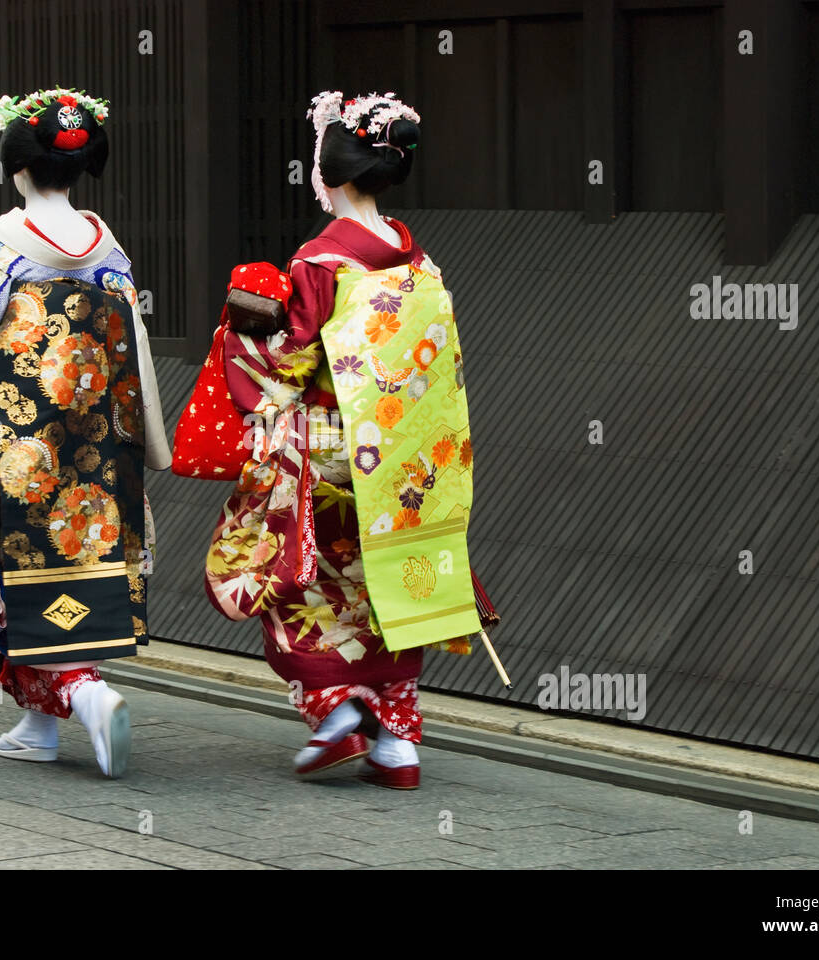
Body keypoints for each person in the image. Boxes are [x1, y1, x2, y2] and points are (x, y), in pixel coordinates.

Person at [204, 91, 476, 790]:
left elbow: (290, 365)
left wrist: (240, 336)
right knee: (390, 588)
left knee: (297, 582)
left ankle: (337, 714)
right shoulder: (418, 262)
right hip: (409, 456)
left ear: (330, 171)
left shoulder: (322, 261)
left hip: (330, 451)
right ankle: (399, 745)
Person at [0, 88, 170, 779]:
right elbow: (134, 343)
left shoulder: (1, 242)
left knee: (6, 575)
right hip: (93, 445)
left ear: (17, 170)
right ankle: (37, 727)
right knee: (71, 567)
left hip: (18, 441)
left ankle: (86, 696)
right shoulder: (105, 244)